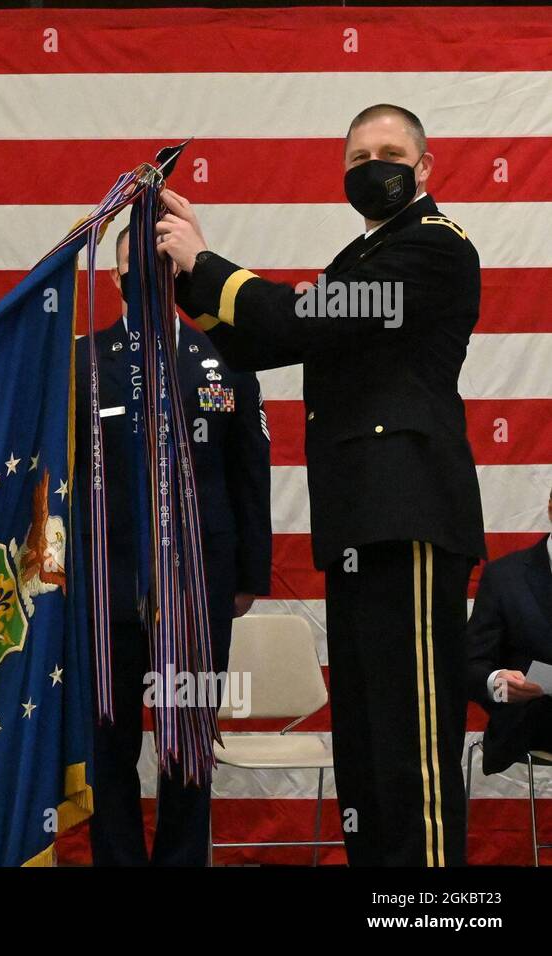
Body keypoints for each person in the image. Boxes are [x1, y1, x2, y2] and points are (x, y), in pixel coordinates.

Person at [156, 104, 485, 866]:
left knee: (411, 746)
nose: (375, 165)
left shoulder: (434, 250)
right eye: (360, 154)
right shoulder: (355, 260)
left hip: (409, 518)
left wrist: (209, 262)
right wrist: (177, 271)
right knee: (366, 749)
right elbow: (255, 341)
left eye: (392, 152)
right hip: (358, 524)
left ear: (426, 167)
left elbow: (304, 317)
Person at [79, 224, 271, 866]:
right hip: (106, 585)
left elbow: (251, 470)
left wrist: (249, 574)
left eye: (163, 258)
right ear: (113, 277)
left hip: (198, 585)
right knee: (108, 747)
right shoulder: (83, 361)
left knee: (188, 745)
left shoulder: (228, 356)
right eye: (137, 260)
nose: (151, 270)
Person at [467, 484, 552, 778]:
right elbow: (469, 668)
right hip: (535, 719)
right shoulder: (505, 577)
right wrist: (499, 684)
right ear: (551, 508)